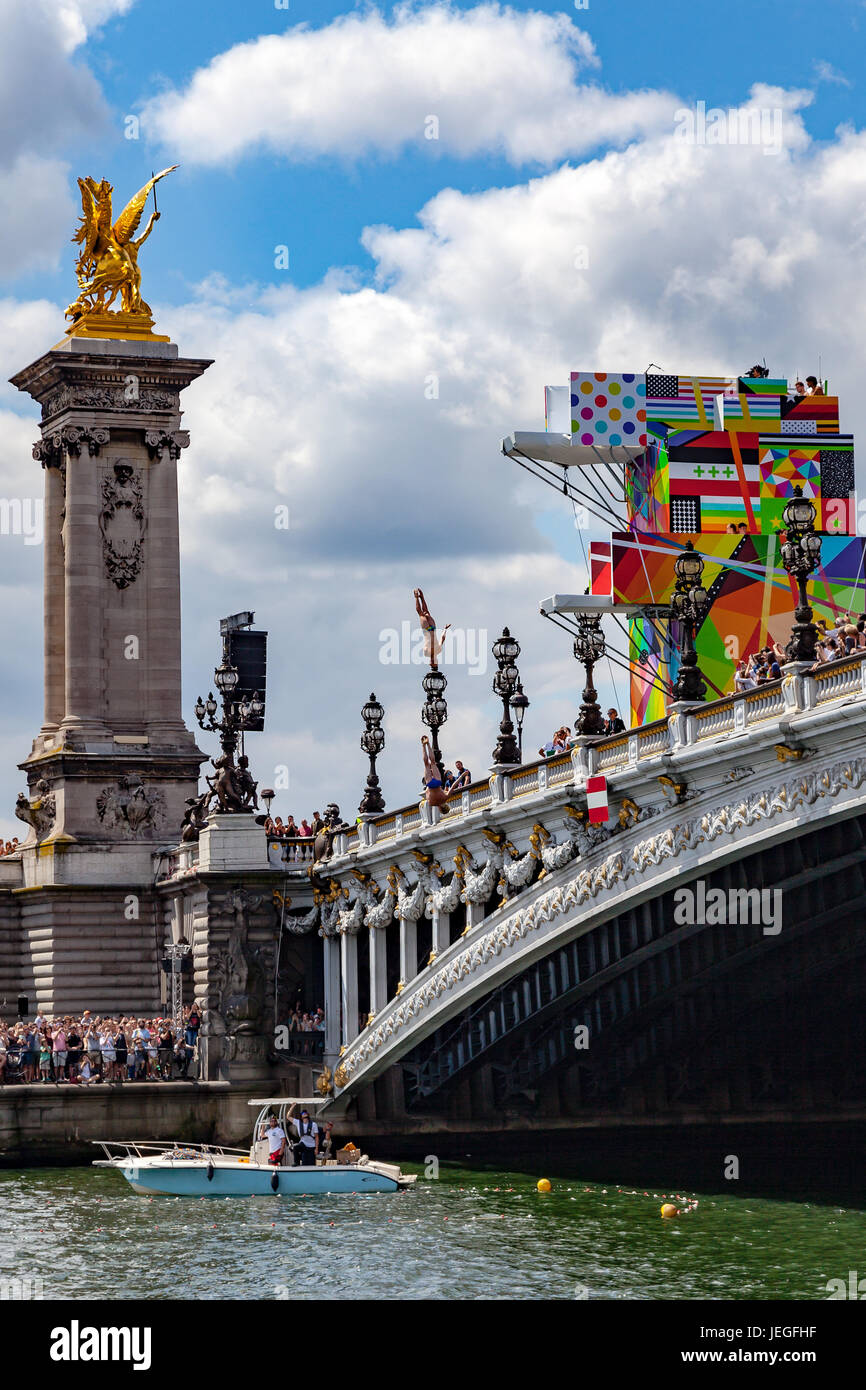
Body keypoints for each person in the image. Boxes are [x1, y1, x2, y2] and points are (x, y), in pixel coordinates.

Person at [414, 588, 450, 670]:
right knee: (424, 612)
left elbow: (442, 639)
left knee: (422, 613)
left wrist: (445, 629)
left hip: (429, 629)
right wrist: (445, 629)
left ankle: (418, 597)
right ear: (436, 661)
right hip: (430, 629)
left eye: (431, 664)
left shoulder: (428, 653)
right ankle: (420, 597)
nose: (431, 662)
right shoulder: (437, 651)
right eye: (434, 663)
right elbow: (442, 639)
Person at [421, 735, 449, 813]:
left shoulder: (445, 798)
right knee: (426, 764)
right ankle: (423, 746)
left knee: (433, 763)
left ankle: (428, 744)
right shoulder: (432, 803)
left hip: (438, 782)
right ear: (440, 809)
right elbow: (427, 792)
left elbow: (451, 787)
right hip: (430, 784)